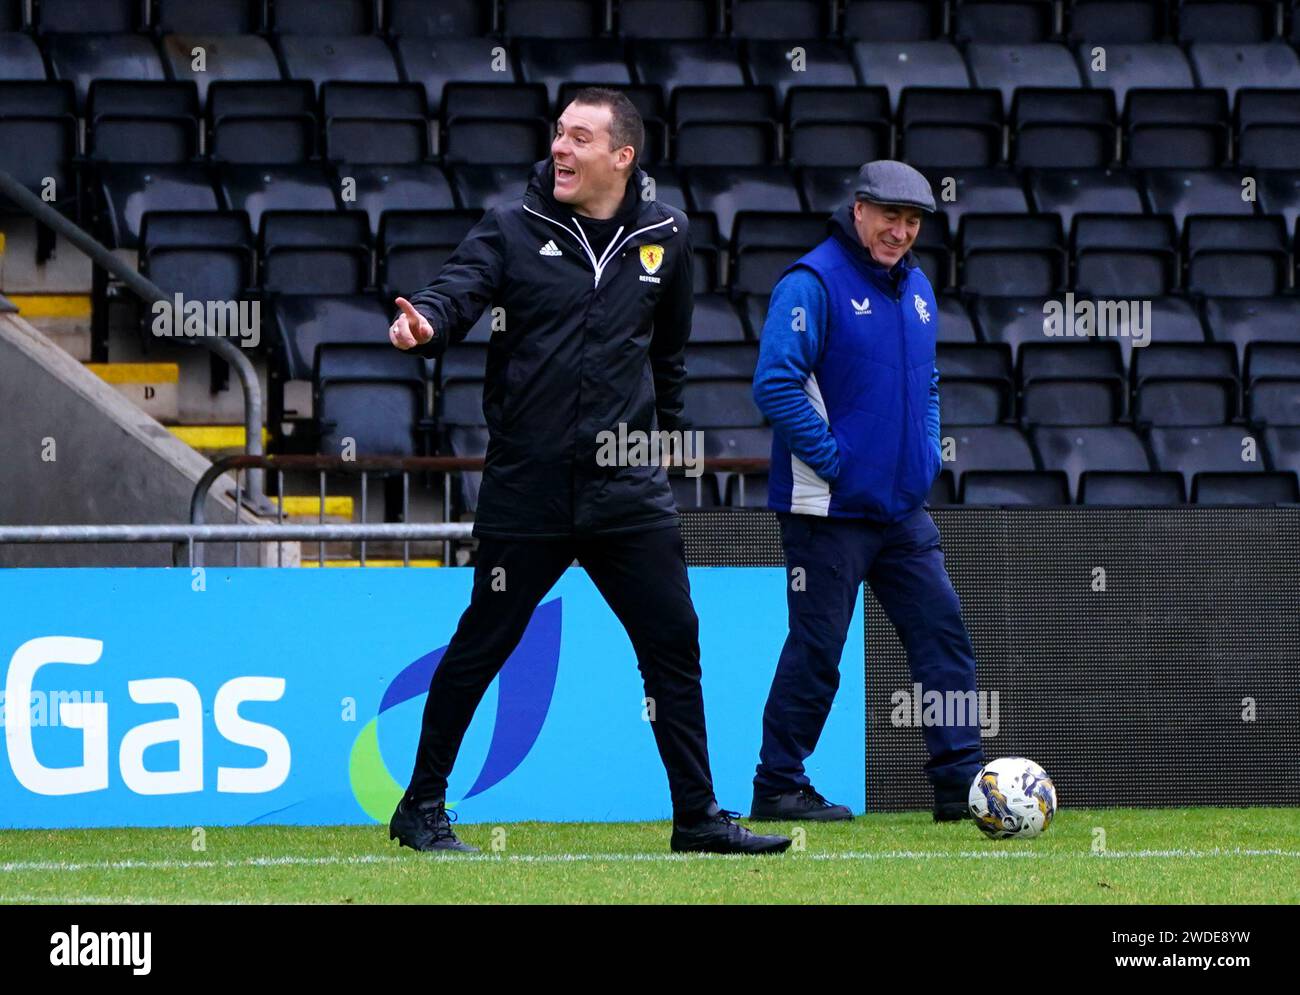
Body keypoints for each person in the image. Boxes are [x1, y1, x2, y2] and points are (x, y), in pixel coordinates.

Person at [385, 88, 789, 855]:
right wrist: (426, 322)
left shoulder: (668, 236)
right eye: (558, 135)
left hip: (628, 488)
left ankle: (698, 817)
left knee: (674, 642)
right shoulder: (512, 226)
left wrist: (660, 441)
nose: (560, 149)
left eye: (579, 138)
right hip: (528, 487)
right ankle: (420, 806)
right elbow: (456, 292)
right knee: (483, 642)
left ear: (622, 156)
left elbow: (668, 354)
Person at [749, 160, 984, 823]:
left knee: (944, 637)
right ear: (858, 210)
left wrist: (923, 455)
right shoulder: (811, 282)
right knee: (818, 649)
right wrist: (835, 462)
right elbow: (775, 383)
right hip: (827, 510)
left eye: (912, 222)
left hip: (901, 509)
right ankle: (778, 785)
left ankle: (959, 780)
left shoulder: (918, 291)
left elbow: (928, 383)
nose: (901, 231)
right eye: (890, 216)